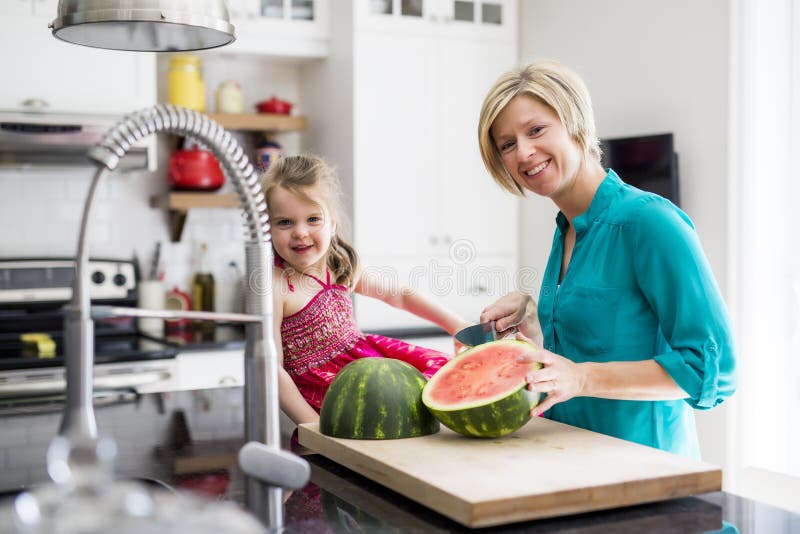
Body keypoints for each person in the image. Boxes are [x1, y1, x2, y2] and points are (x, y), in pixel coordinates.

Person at [476, 60, 736, 459]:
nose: (524, 152)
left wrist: (581, 378)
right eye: (507, 144)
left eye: (536, 130)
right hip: (575, 466)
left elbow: (712, 370)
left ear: (575, 122)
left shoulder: (649, 222)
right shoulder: (566, 230)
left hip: (647, 478)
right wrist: (535, 323)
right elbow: (596, 350)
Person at [261, 154, 469, 426]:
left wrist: (457, 325)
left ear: (332, 223)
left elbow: (398, 295)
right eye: (285, 222)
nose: (300, 232)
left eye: (313, 219)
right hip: (332, 395)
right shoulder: (275, 285)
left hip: (368, 365)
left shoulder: (338, 265)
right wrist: (312, 427)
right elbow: (272, 369)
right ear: (267, 227)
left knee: (444, 383)